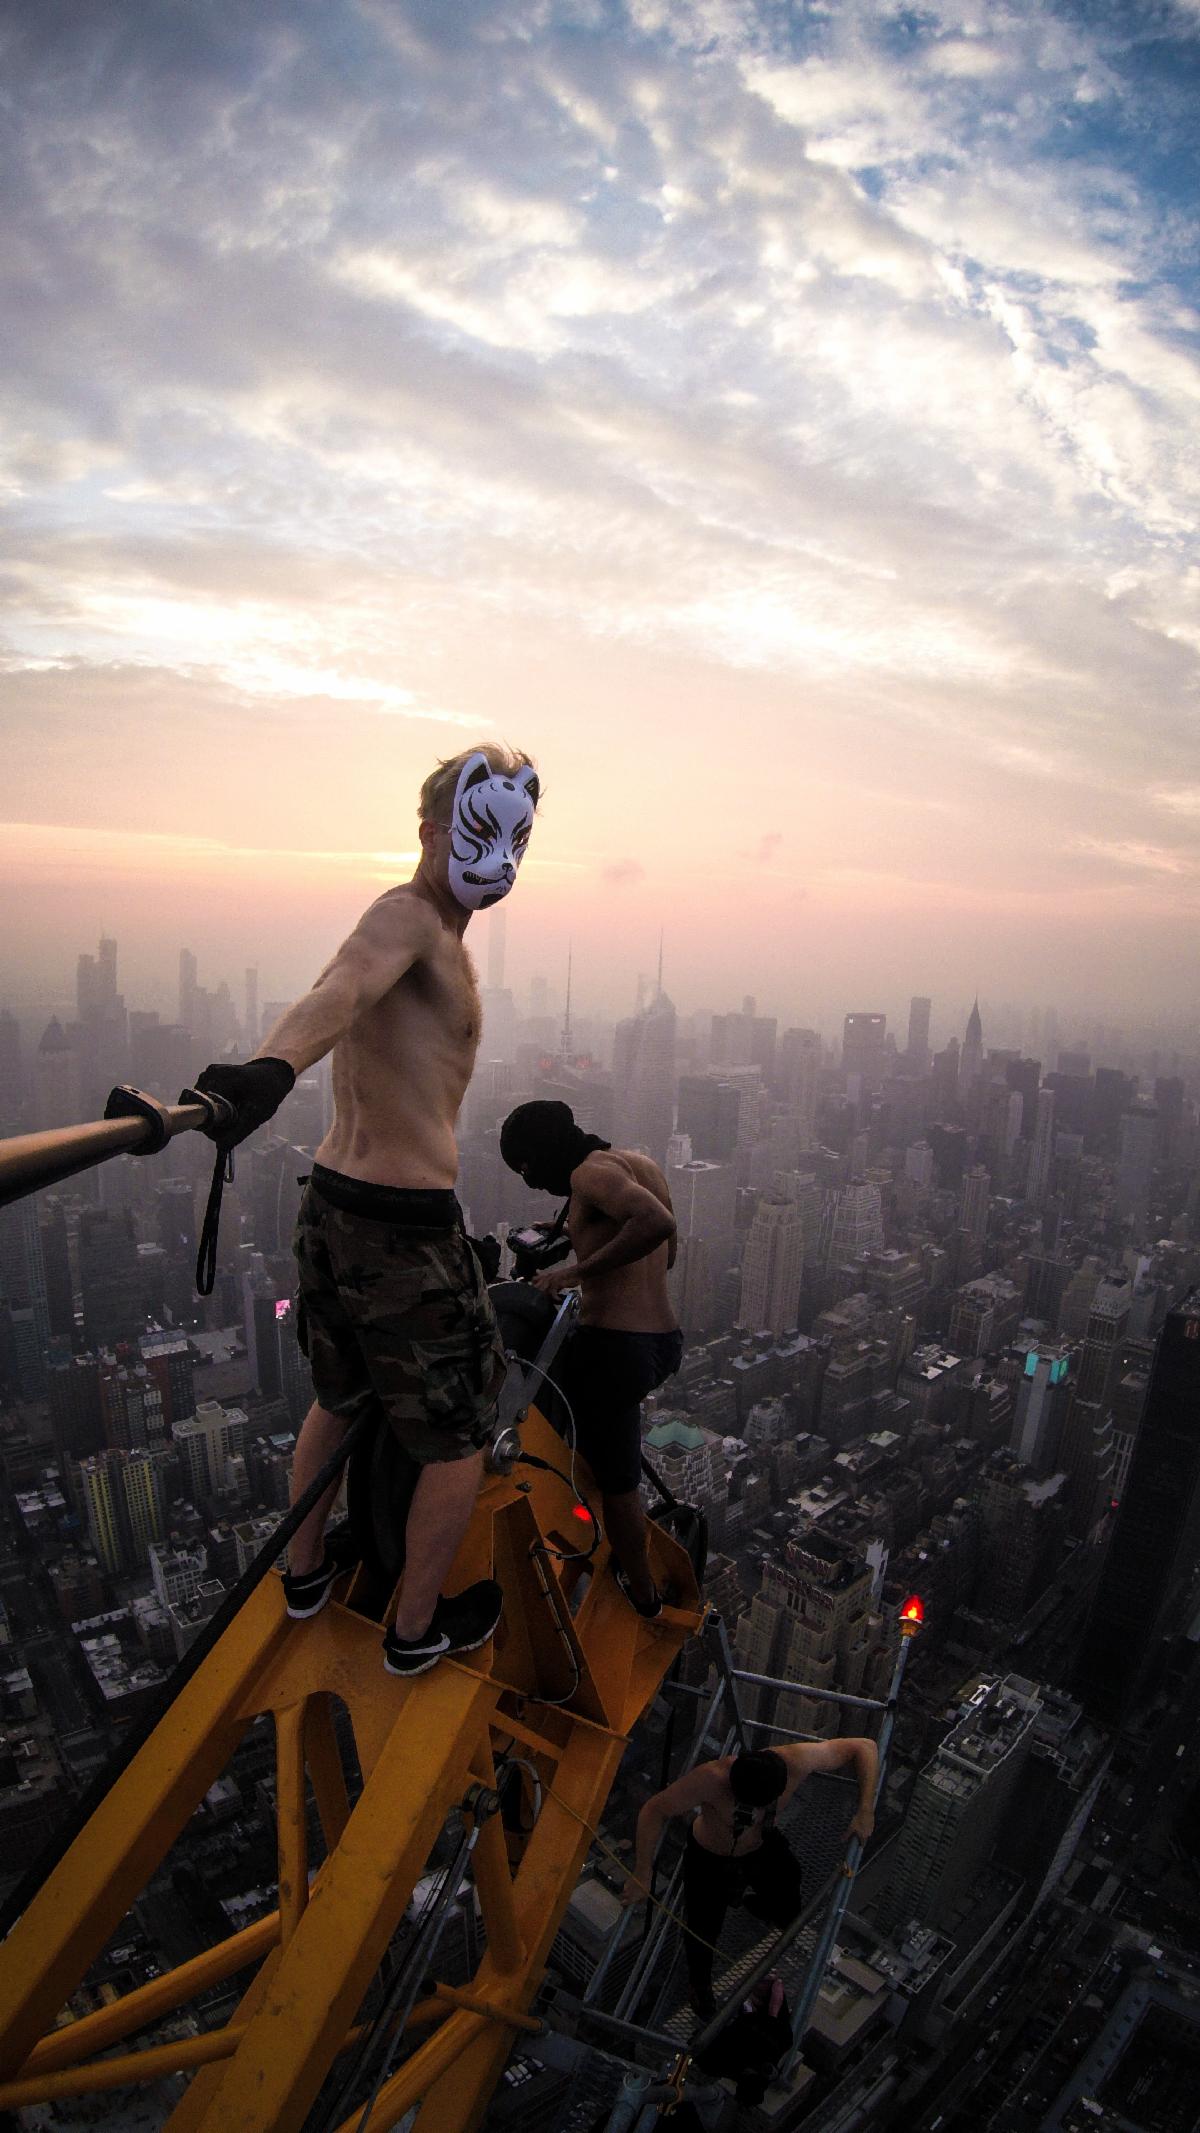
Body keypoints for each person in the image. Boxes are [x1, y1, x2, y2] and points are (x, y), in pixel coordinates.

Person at [190, 745, 540, 1677]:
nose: (500, 853)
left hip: (338, 1206)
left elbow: (352, 999)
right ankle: (416, 1628)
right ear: (429, 829)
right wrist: (270, 1069)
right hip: (399, 1223)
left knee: (342, 1396)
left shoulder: (441, 939)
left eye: (518, 836)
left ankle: (305, 1574)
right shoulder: (410, 916)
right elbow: (340, 988)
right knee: (463, 1427)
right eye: (475, 826)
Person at [498, 1099, 681, 1619]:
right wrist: (584, 1238)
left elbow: (655, 1223)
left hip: (615, 1349)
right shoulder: (635, 1163)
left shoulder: (590, 1173)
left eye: (527, 1168)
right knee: (605, 1446)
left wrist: (573, 1273)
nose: (532, 1183)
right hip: (662, 1338)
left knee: (618, 1485)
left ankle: (643, 1595)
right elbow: (667, 1256)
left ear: (543, 1152)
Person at [621, 1737, 878, 2019]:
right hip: (709, 1857)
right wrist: (643, 1873)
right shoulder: (711, 1778)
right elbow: (654, 1809)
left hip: (761, 1847)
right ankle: (700, 1987)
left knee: (789, 1884)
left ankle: (765, 1908)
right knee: (701, 1929)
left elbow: (864, 1746)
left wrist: (865, 1810)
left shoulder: (796, 1761)